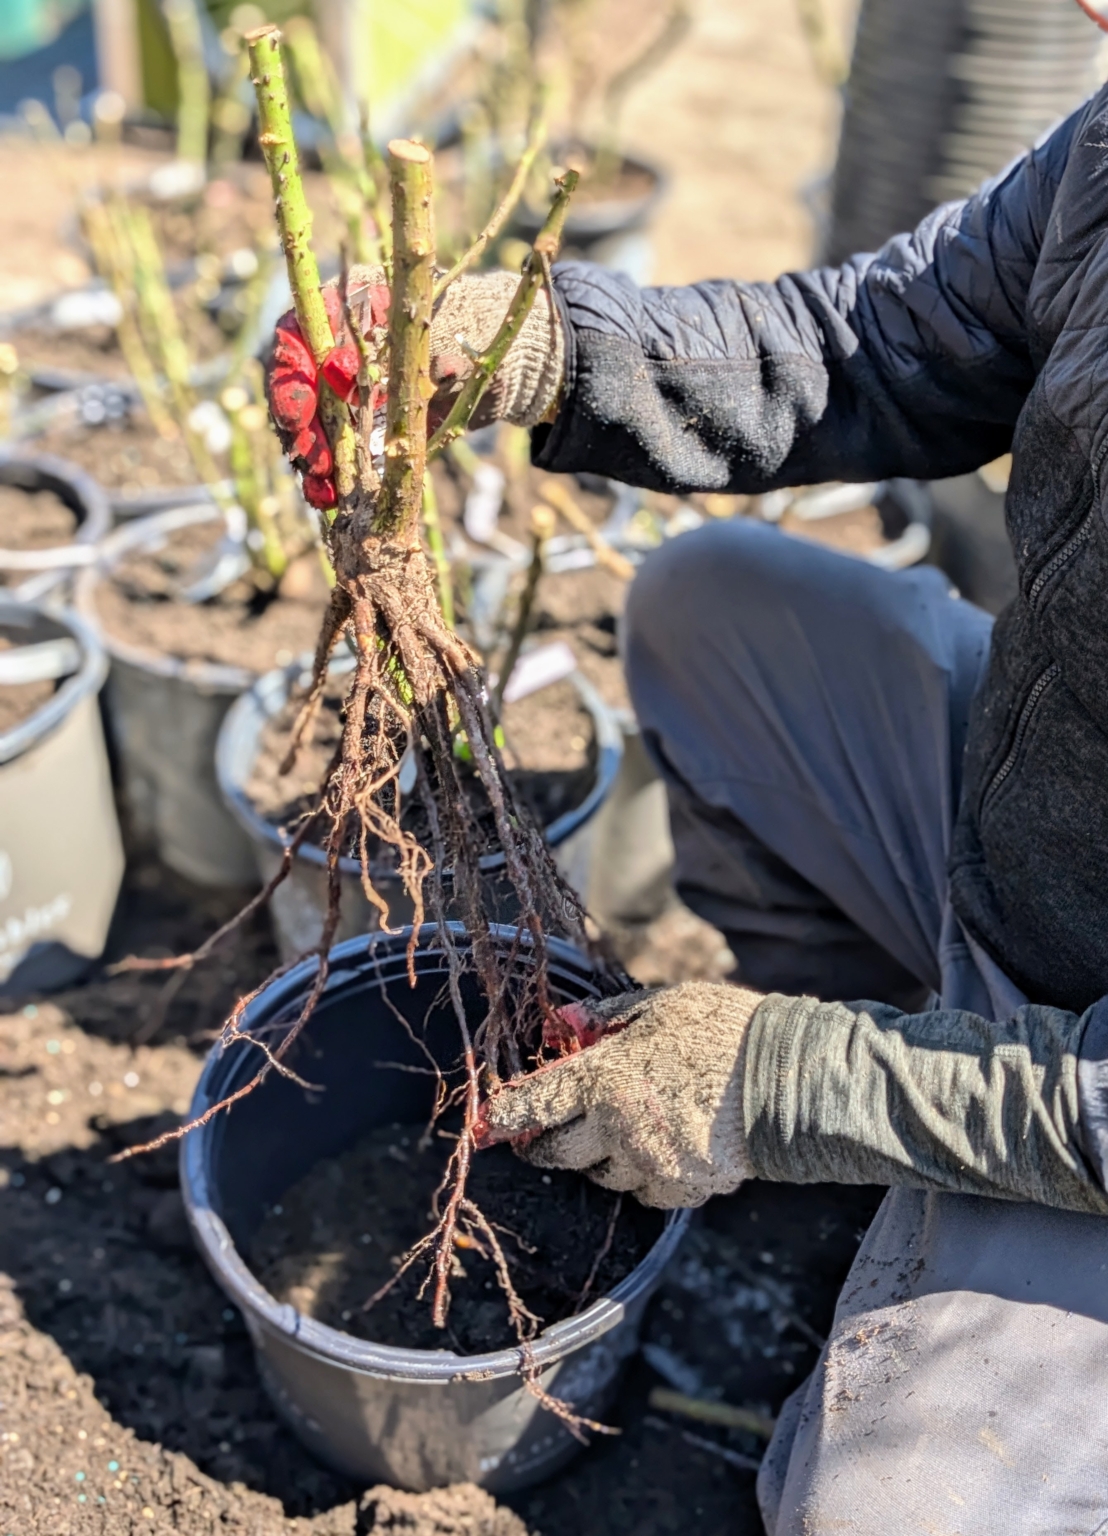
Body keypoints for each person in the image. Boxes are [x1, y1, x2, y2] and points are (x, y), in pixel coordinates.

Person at [270, 84, 1108, 1535]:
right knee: (714, 610)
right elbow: (882, 341)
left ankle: (922, 1178)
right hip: (1036, 850)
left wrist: (794, 1083)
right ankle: (890, 1146)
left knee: (882, 1515)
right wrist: (547, 352)